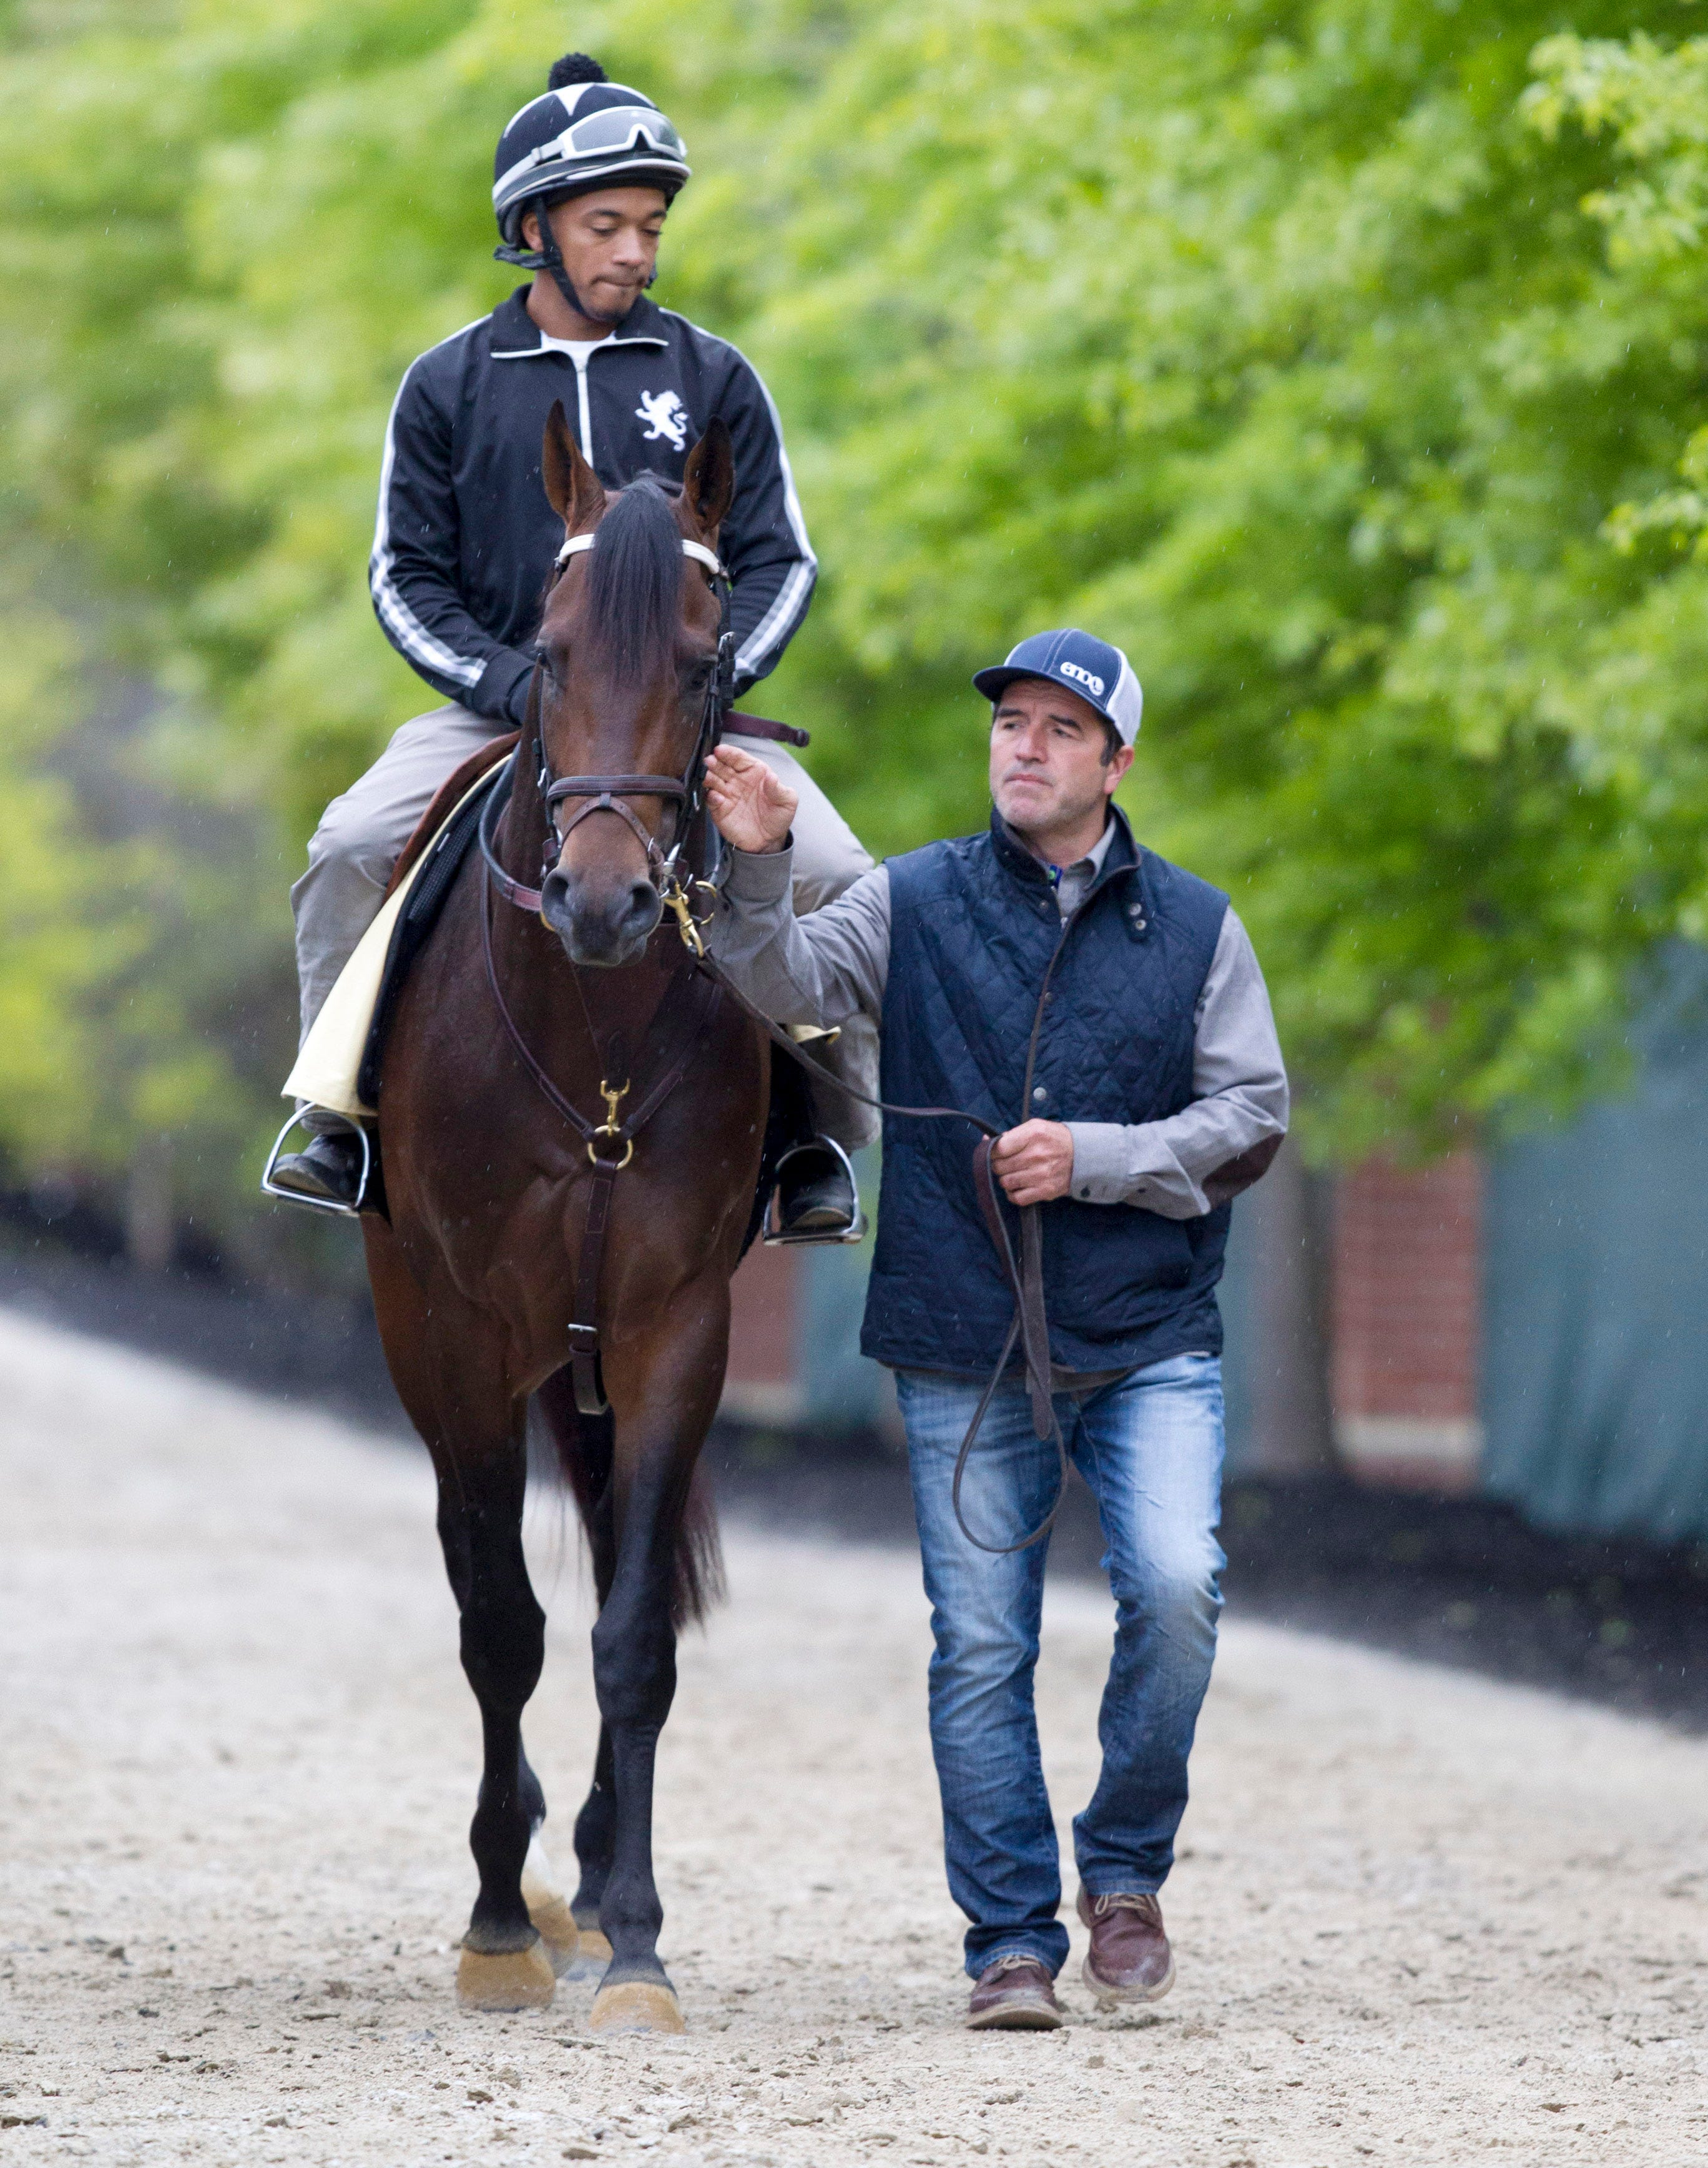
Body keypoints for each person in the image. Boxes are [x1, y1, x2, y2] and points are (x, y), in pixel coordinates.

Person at [702, 629, 1289, 2029]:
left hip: (1149, 1332)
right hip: (959, 1334)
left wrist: (1092, 1155)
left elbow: (1252, 1113)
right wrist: (764, 855)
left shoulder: (1202, 928)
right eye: (1010, 723)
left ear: (1117, 764)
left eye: (1059, 729)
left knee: (1179, 1589)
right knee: (980, 1645)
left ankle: (1127, 1875)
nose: (1023, 745)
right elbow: (774, 984)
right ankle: (1009, 1943)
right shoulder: (907, 901)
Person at [271, 51, 870, 1233]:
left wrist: (711, 679)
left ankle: (822, 1145)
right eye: (607, 226)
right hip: (497, 703)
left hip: (680, 714)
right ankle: (335, 1117)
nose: (636, 252)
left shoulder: (714, 374)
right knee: (348, 845)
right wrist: (504, 681)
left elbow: (783, 559)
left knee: (845, 878)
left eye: (650, 227)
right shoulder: (448, 383)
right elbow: (403, 578)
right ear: (534, 226)